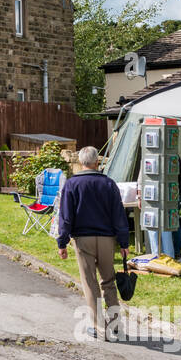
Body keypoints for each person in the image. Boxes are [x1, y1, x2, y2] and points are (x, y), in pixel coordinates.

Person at [55, 146, 130, 341]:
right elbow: (118, 215)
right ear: (97, 162)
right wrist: (124, 242)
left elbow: (66, 217)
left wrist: (62, 242)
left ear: (81, 162)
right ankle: (115, 325)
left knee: (90, 283)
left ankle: (98, 327)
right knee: (109, 281)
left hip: (82, 239)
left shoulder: (72, 184)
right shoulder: (109, 184)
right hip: (107, 239)